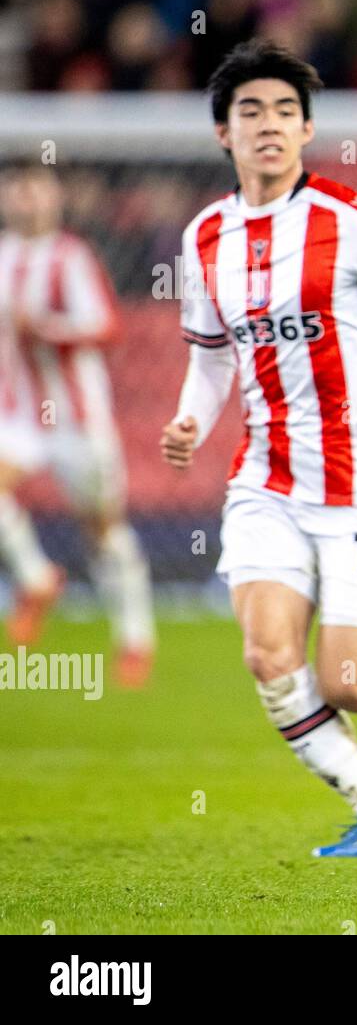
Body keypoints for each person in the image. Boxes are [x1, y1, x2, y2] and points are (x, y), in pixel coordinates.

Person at [160, 40, 357, 856]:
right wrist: (191, 417)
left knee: (350, 688)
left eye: (285, 112)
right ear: (223, 135)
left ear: (307, 131)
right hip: (264, 480)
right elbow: (210, 357)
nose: (269, 125)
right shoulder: (203, 238)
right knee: (267, 655)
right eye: (250, 112)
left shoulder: (352, 221)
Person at [0, 163, 156, 687]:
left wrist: (43, 328)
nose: (27, 202)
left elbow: (106, 328)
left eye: (37, 192)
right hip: (18, 412)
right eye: (17, 193)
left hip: (77, 418)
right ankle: (37, 577)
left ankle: (135, 638)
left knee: (103, 530)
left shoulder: (73, 256)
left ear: (55, 199)